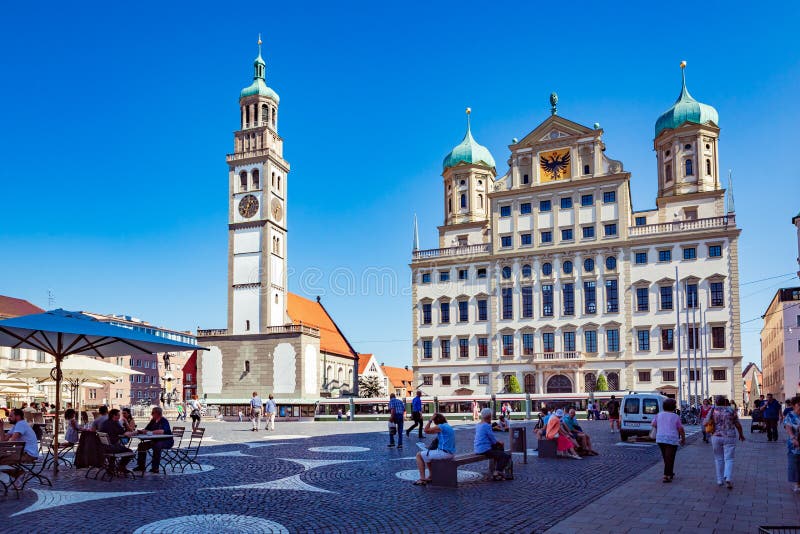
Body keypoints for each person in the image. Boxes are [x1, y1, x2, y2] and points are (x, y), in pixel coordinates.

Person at [704, 396, 745, 489]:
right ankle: (728, 477)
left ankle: (719, 480)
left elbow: (705, 422)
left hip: (716, 436)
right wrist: (741, 435)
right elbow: (737, 424)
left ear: (716, 402)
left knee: (718, 459)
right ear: (725, 403)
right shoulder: (731, 410)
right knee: (729, 458)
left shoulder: (712, 410)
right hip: (730, 436)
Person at [413, 413, 455, 486]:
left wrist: (430, 420)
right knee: (428, 455)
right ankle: (431, 475)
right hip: (450, 453)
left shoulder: (441, 426)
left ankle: (422, 479)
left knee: (419, 455)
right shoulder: (447, 426)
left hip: (444, 453)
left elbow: (426, 430)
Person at [651, 398, 685, 483]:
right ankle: (666, 476)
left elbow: (653, 424)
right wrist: (683, 438)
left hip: (660, 438)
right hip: (672, 439)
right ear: (673, 407)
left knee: (666, 457)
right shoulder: (675, 416)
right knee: (670, 457)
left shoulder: (659, 415)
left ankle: (670, 472)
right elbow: (680, 429)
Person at [474, 408, 513, 480]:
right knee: (505, 456)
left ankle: (497, 471)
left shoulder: (478, 425)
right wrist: (500, 442)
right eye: (490, 416)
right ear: (489, 416)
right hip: (484, 449)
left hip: (477, 448)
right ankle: (497, 472)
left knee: (499, 451)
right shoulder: (486, 426)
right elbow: (493, 441)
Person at [134, 407, 174, 474]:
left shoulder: (164, 421)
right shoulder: (153, 421)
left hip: (167, 441)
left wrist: (151, 432)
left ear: (157, 413)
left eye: (152, 413)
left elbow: (162, 431)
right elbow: (146, 429)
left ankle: (155, 467)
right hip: (155, 440)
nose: (151, 414)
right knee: (141, 445)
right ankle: (141, 466)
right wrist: (139, 431)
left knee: (157, 445)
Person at [99, 409, 135, 474]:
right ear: (113, 415)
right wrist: (137, 432)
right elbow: (126, 434)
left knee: (117, 447)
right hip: (111, 448)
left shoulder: (105, 423)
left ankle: (111, 468)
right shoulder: (115, 423)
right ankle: (121, 467)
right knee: (130, 452)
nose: (119, 417)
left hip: (103, 447)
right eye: (118, 415)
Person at [783, 396, 800, 494]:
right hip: (794, 445)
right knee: (795, 464)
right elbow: (788, 427)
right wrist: (793, 437)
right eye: (799, 404)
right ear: (793, 406)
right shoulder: (790, 415)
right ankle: (797, 483)